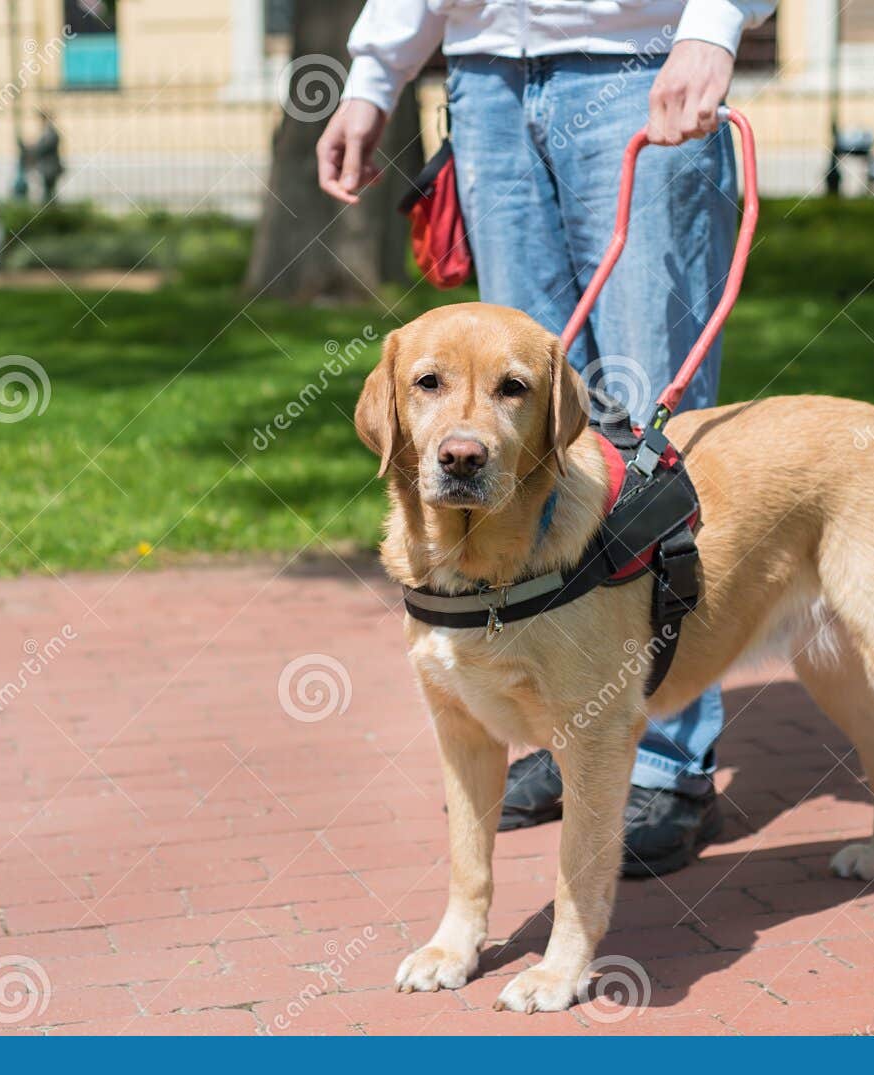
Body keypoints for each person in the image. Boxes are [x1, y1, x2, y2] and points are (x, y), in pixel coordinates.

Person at [318, 1, 776, 876]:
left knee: (649, 438)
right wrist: (375, 75)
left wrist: (712, 27)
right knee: (525, 427)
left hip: (637, 62)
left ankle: (668, 764)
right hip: (487, 78)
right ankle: (574, 722)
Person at [28, 110, 65, 204]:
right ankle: (49, 208)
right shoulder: (47, 132)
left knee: (49, 192)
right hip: (47, 167)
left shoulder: (51, 132)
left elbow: (44, 148)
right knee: (48, 191)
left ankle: (50, 209)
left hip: (50, 168)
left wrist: (33, 149)